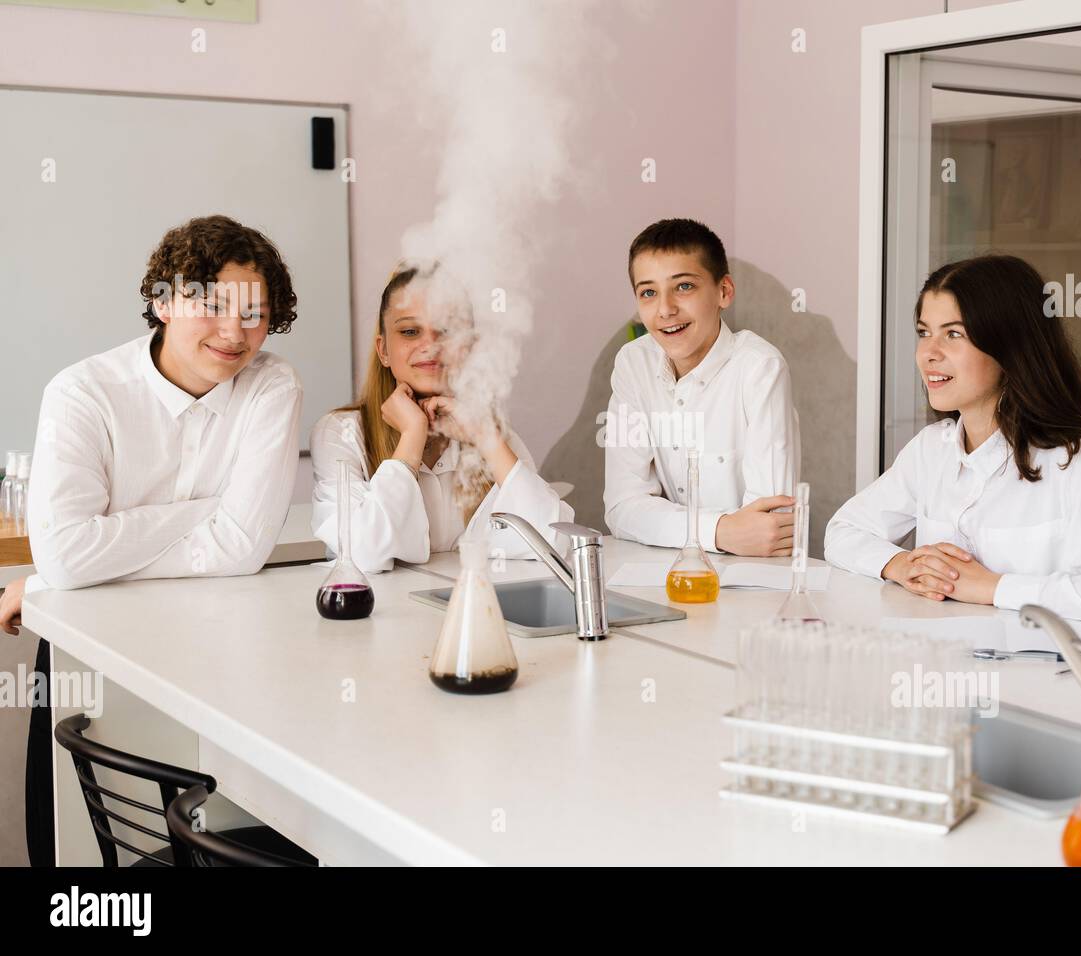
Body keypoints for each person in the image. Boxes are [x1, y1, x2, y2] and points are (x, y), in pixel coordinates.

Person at [0, 214, 303, 865]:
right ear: (163, 301)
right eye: (213, 304)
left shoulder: (272, 386)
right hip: (94, 652)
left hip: (220, 649)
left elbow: (244, 548)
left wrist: (55, 577)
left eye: (255, 314)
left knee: (215, 825)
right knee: (76, 843)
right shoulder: (83, 394)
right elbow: (70, 553)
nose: (235, 331)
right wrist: (205, 511)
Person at [824, 254, 1081, 630]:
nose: (929, 353)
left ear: (1009, 347)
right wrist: (899, 565)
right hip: (940, 671)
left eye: (953, 334)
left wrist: (996, 588)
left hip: (1036, 682)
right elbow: (843, 532)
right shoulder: (931, 450)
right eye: (925, 332)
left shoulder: (1074, 460)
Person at [310, 261, 572, 570]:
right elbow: (365, 553)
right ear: (383, 350)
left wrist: (486, 439)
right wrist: (411, 436)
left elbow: (552, 540)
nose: (430, 346)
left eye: (447, 331)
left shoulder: (488, 433)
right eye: (410, 331)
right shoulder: (342, 433)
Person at [604, 218, 800, 556]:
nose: (666, 309)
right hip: (671, 571)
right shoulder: (633, 364)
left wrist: (665, 523)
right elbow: (622, 508)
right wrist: (720, 530)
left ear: (723, 292)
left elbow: (769, 530)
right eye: (648, 292)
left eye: (683, 287)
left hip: (751, 581)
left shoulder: (759, 368)